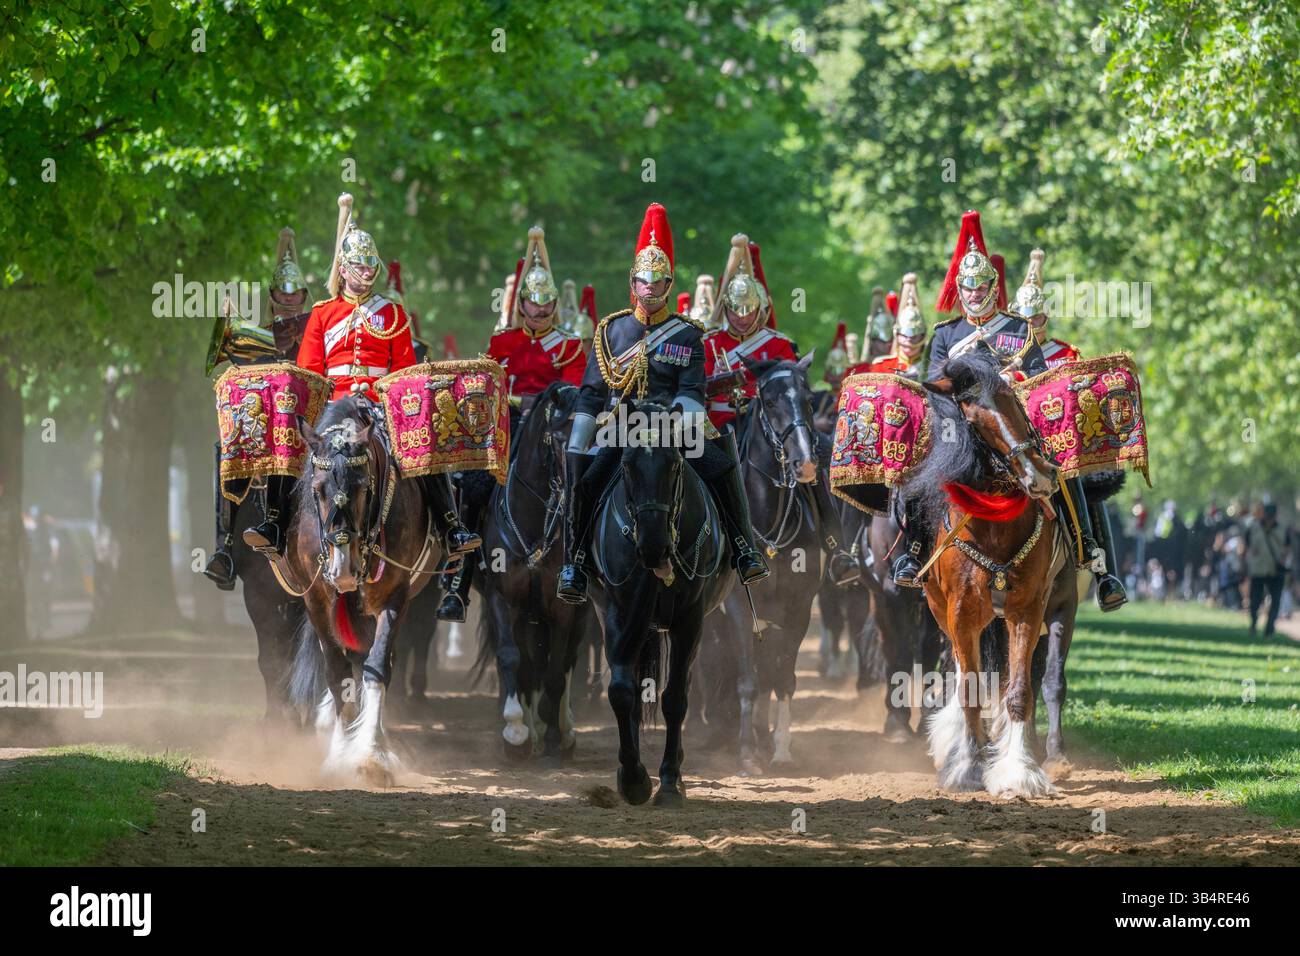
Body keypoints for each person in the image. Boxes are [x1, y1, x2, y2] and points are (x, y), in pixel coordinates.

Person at [557, 203, 768, 604]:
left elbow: (692, 389)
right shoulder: (611, 330)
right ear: (632, 284)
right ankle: (576, 562)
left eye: (657, 282)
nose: (650, 289)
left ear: (669, 285)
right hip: (622, 427)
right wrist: (581, 435)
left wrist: (678, 416)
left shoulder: (687, 335)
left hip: (675, 428)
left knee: (723, 466)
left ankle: (743, 549)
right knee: (585, 480)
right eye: (643, 282)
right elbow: (590, 391)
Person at [295, 193, 477, 557]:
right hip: (335, 407)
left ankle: (450, 525)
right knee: (303, 466)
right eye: (359, 266)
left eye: (370, 266)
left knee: (421, 448)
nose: (367, 272)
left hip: (379, 407)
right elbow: (310, 373)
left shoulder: (391, 312)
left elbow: (405, 372)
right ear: (343, 268)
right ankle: (280, 528)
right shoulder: (323, 313)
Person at [437, 225, 588, 622]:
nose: (539, 310)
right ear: (522, 304)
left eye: (546, 304)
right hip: (508, 427)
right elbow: (486, 389)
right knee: (472, 486)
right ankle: (459, 579)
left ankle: (580, 568)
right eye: (533, 303)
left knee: (581, 483)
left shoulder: (570, 345)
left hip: (552, 429)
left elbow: (572, 393)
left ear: (554, 305)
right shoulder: (501, 343)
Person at [891, 210, 1048, 587]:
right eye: (968, 286)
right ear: (959, 289)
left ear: (993, 287)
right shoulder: (947, 333)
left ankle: (1088, 551)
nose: (974, 293)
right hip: (960, 427)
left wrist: (1012, 377)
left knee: (1061, 468)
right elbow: (934, 385)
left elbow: (1039, 375)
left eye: (981, 286)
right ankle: (914, 551)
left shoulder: (1016, 327)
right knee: (917, 471)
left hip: (1010, 423)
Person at [701, 234, 849, 578]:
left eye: (748, 309)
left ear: (761, 307)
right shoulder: (709, 343)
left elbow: (793, 387)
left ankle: (835, 547)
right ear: (725, 309)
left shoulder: (780, 345)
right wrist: (724, 380)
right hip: (723, 426)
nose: (741, 317)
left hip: (775, 427)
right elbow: (697, 390)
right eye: (735, 310)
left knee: (814, 462)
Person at [1016, 248, 1126, 610]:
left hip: (1053, 449)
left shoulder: (1065, 356)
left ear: (1045, 316)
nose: (1030, 325)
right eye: (1023, 318)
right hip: (1009, 449)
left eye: (1035, 318)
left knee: (1076, 484)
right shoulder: (1001, 357)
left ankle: (1100, 569)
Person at [203, 227, 312, 588]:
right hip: (266, 429)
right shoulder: (261, 334)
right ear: (273, 295)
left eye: (295, 293)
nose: (289, 298)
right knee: (226, 449)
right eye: (283, 292)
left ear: (304, 296)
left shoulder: (315, 331)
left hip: (306, 424)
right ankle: (226, 548)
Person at [1246, 501, 1290, 637]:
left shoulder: (1283, 528)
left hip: (1276, 569)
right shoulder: (1254, 527)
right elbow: (1247, 545)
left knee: (1275, 600)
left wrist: (1283, 558)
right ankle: (1253, 624)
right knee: (1255, 600)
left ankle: (1269, 629)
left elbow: (1287, 547)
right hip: (1258, 568)